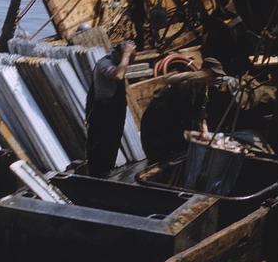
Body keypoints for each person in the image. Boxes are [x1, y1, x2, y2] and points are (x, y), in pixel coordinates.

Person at [140, 57, 227, 165]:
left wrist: (205, 133)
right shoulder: (184, 83)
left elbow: (201, 114)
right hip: (157, 125)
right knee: (160, 159)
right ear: (204, 73)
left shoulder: (203, 89)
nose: (215, 79)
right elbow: (169, 80)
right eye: (213, 75)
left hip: (173, 126)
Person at [85, 40, 136, 177]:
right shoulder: (104, 63)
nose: (130, 61)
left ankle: (106, 173)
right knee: (98, 149)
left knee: (111, 146)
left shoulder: (120, 62)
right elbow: (118, 75)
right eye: (129, 57)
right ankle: (96, 177)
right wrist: (126, 54)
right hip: (102, 112)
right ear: (120, 54)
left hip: (115, 110)